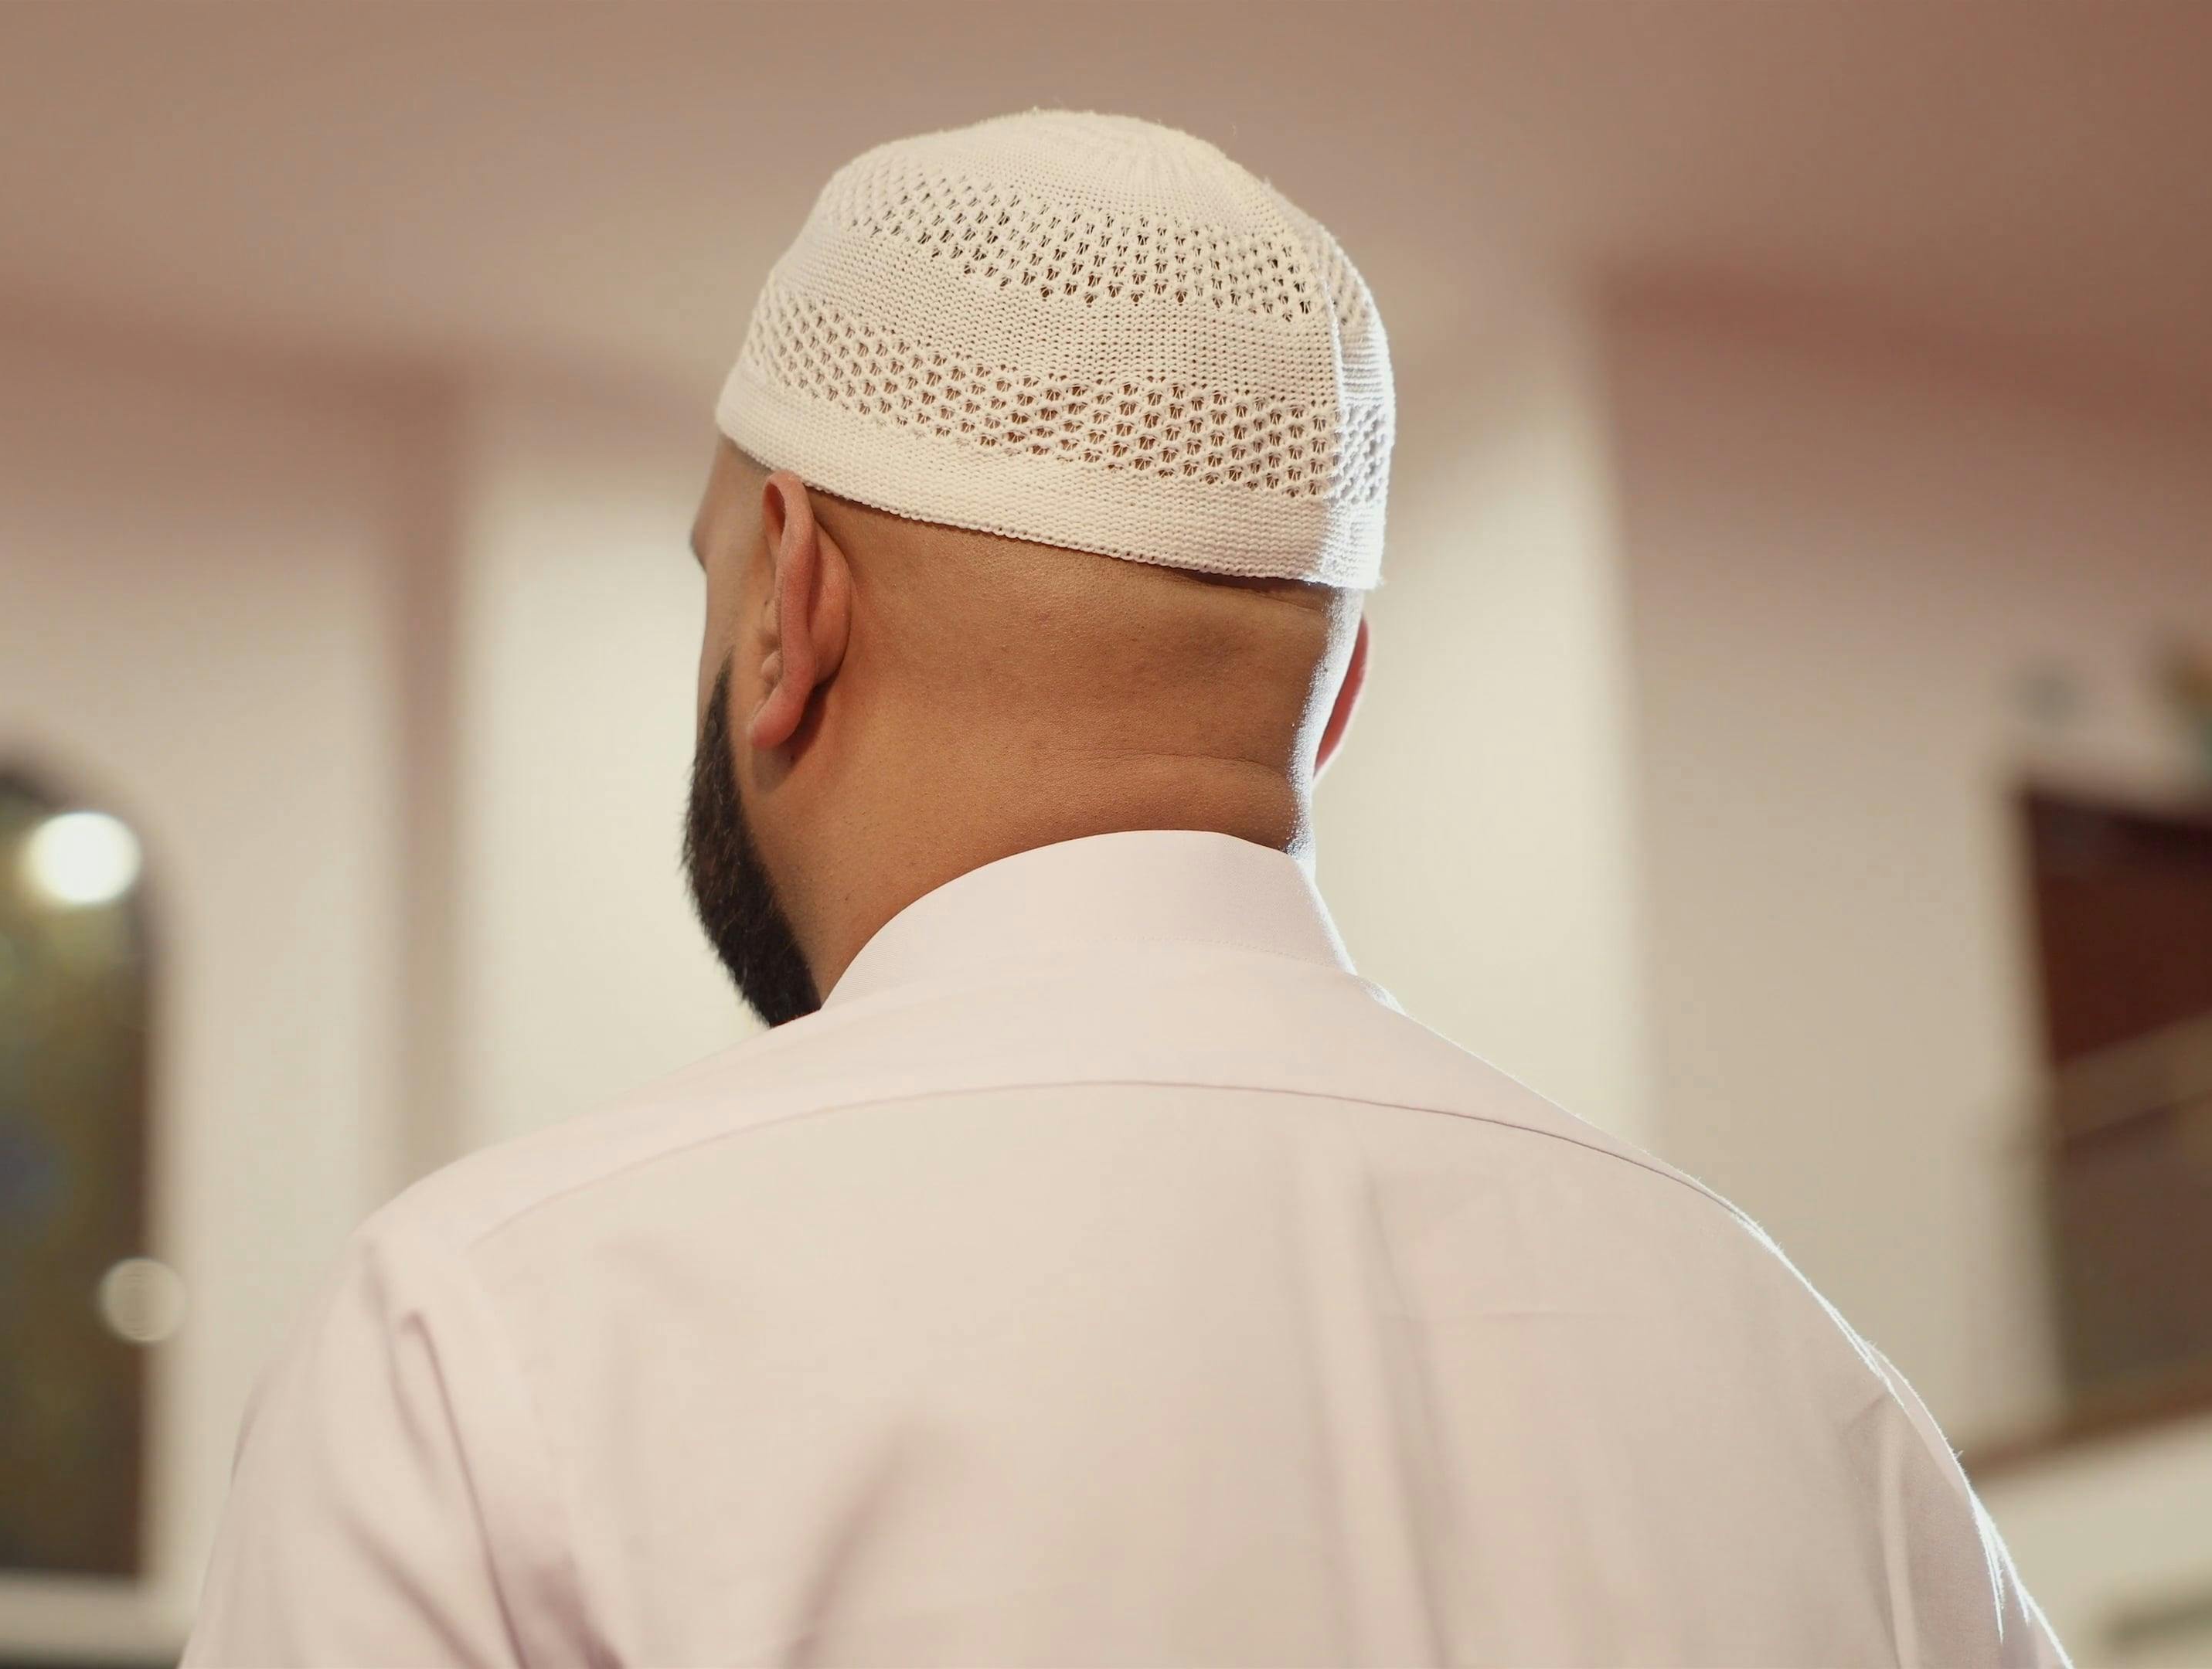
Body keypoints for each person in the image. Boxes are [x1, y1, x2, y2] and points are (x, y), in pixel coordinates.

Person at [183, 111, 2064, 1667]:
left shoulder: (485, 1336)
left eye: (712, 582)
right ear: (1336, 697)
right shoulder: (1816, 1400)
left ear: (790, 599)